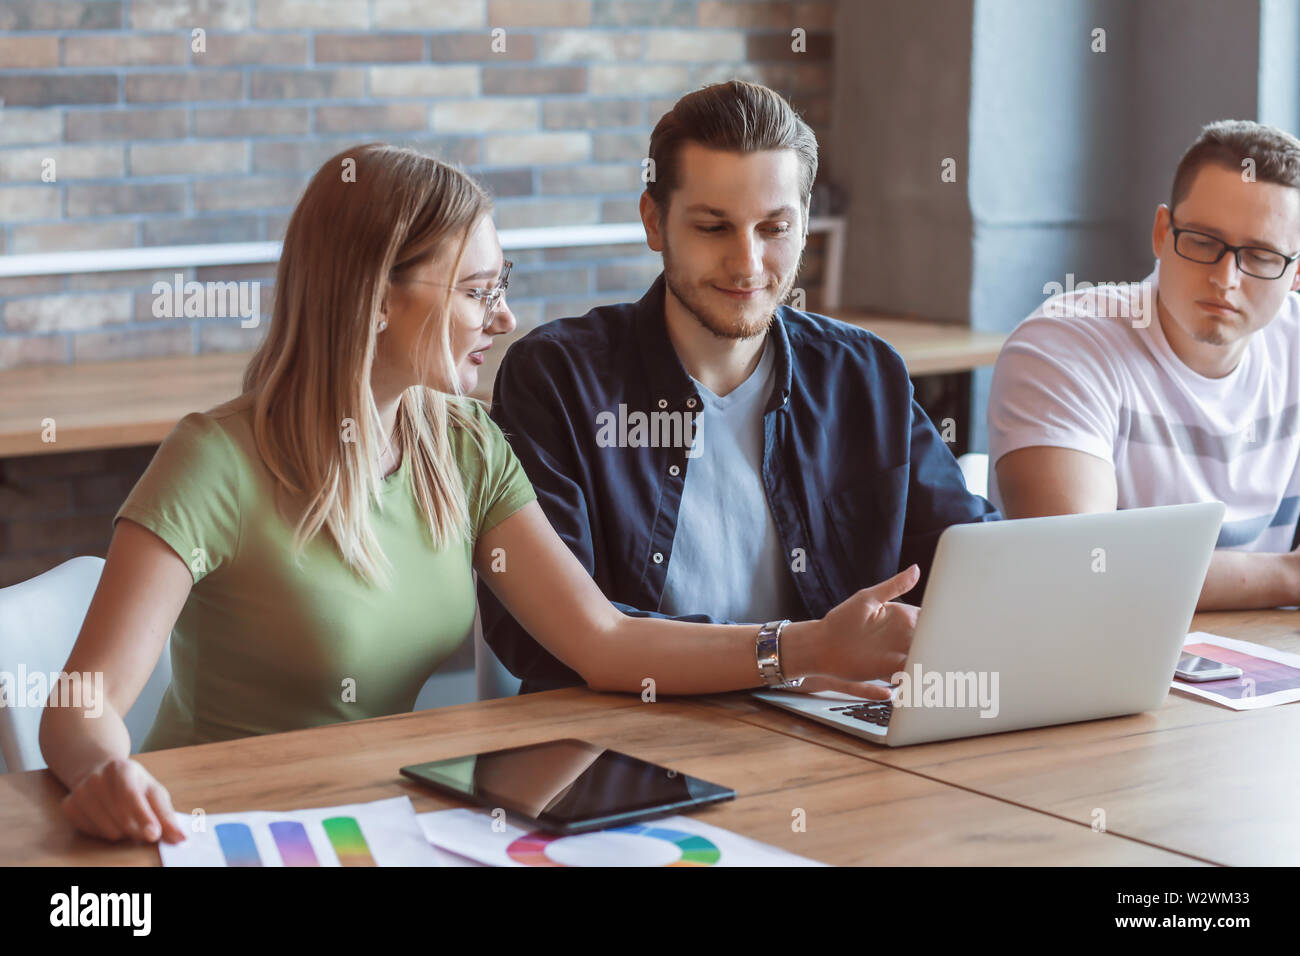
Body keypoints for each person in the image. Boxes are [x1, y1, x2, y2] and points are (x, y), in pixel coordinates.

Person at [40, 143, 922, 846]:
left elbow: (604, 640)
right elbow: (80, 708)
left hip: (375, 820)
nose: (503, 320)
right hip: (213, 829)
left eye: (502, 289)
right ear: (374, 298)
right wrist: (102, 774)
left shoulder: (459, 446)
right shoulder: (215, 460)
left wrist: (808, 647)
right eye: (477, 290)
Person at [479, 81, 998, 695]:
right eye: (713, 227)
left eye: (774, 227)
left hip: (832, 733)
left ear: (805, 226)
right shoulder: (559, 379)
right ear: (654, 221)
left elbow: (972, 569)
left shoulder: (865, 374)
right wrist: (803, 660)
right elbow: (544, 645)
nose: (748, 263)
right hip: (629, 743)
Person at [989, 119, 1300, 611]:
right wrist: (1287, 576)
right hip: (1091, 665)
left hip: (1260, 663)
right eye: (1202, 241)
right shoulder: (1063, 346)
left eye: (1260, 256)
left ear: (1296, 272)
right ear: (1162, 232)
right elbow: (1078, 567)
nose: (1226, 278)